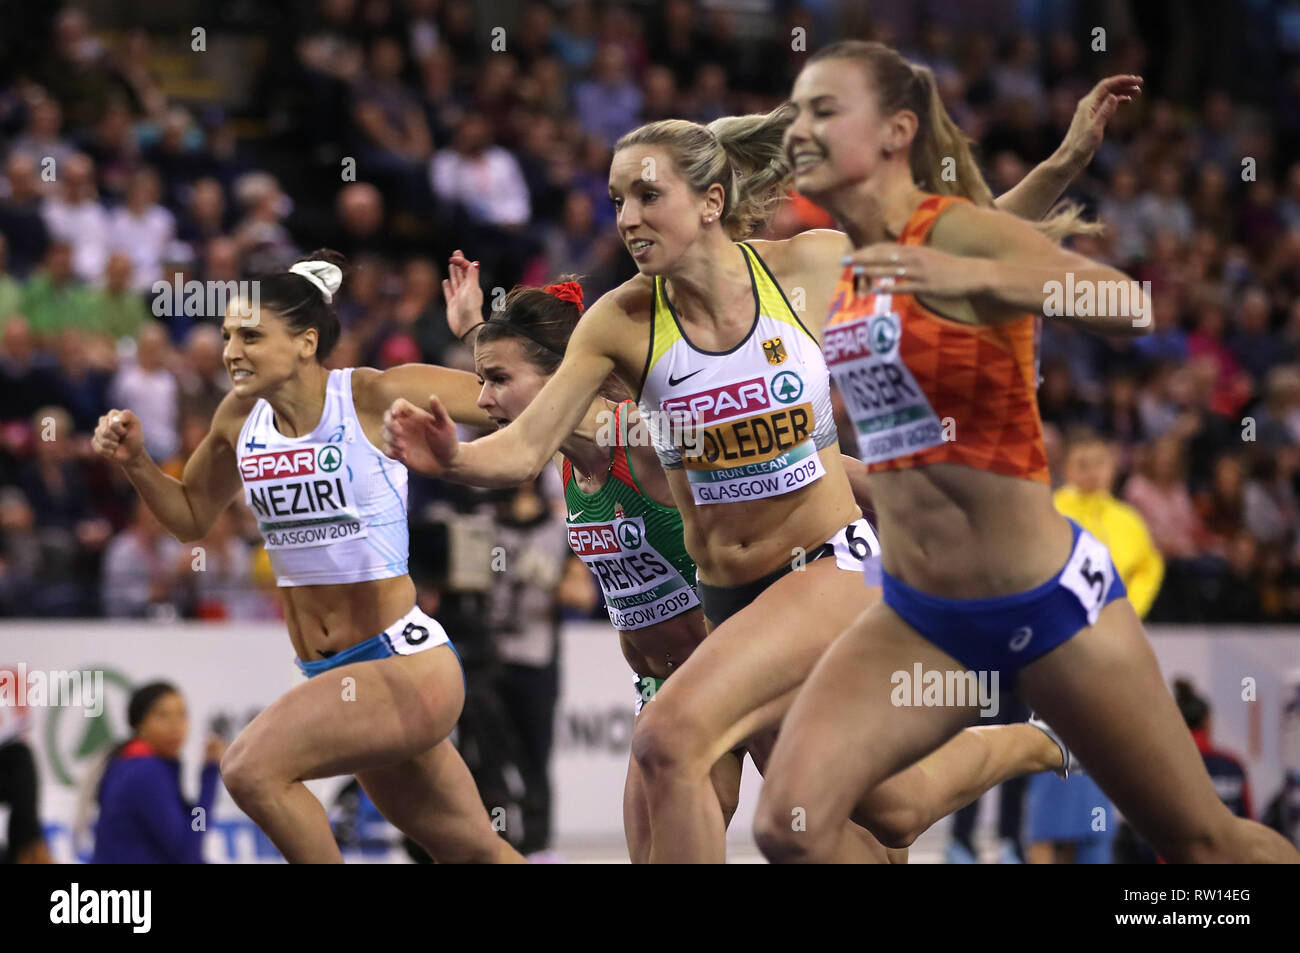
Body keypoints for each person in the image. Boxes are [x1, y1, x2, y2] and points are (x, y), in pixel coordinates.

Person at [381, 71, 1136, 861]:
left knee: (670, 739)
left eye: (646, 196)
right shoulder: (620, 320)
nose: (628, 219)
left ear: (709, 201)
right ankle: (1041, 739)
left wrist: (1067, 156)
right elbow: (527, 443)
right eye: (616, 201)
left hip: (831, 565)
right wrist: (456, 459)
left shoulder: (808, 268)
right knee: (891, 810)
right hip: (732, 603)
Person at [743, 39, 1296, 864]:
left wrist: (981, 284)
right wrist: (1062, 163)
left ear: (897, 132)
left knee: (1205, 846)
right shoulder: (861, 264)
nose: (800, 128)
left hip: (1045, 605)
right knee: (787, 823)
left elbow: (1127, 304)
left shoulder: (956, 238)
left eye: (825, 109)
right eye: (797, 109)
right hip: (919, 614)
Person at [91, 251, 524, 864]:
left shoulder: (371, 394)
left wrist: (477, 334)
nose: (231, 351)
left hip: (405, 665)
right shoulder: (239, 417)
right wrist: (136, 463)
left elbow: (510, 395)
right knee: (474, 851)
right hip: (338, 674)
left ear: (305, 342)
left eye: (250, 336)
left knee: (248, 769)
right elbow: (190, 515)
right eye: (225, 336)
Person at [90, 682, 222, 863]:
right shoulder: (146, 772)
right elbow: (187, 851)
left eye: (182, 715)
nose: (176, 726)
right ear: (140, 725)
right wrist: (209, 780)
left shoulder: (129, 763)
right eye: (163, 716)